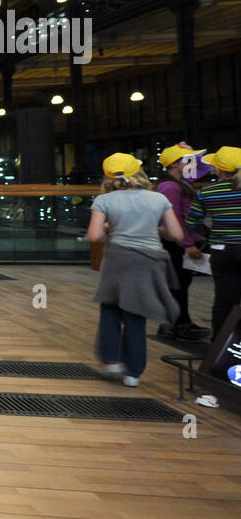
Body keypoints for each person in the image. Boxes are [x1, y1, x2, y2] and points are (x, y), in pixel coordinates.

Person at [87, 153, 184, 388]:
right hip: (149, 261)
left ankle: (111, 360)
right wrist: (154, 230)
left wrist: (112, 227)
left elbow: (94, 236)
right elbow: (177, 234)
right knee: (136, 314)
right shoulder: (158, 199)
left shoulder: (104, 201)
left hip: (117, 258)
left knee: (110, 306)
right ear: (137, 172)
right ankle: (133, 373)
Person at [186, 146, 241, 340]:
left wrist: (207, 233)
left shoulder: (207, 192)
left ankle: (220, 346)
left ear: (218, 169)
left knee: (224, 301)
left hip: (221, 250)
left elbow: (192, 223)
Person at [155, 145, 210, 340]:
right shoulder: (170, 186)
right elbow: (174, 218)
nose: (192, 163)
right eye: (187, 159)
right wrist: (188, 244)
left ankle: (180, 322)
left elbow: (206, 167)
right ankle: (175, 324)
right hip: (176, 241)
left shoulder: (182, 181)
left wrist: (192, 152)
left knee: (181, 282)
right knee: (177, 283)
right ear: (174, 164)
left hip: (181, 239)